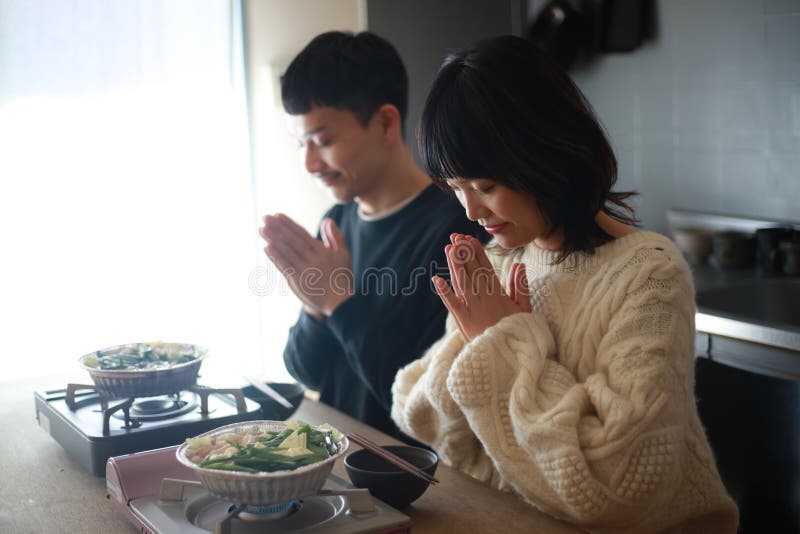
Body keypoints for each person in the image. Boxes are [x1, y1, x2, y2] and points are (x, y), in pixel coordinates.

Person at [390, 35, 738, 532]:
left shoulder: (648, 274)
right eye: (456, 188)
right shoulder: (500, 260)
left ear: (543, 153)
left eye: (485, 186)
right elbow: (421, 417)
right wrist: (482, 338)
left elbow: (617, 483)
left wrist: (505, 341)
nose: (470, 210)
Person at [259, 31, 485, 440]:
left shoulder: (456, 231)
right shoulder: (336, 222)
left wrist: (338, 301)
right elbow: (306, 371)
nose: (310, 163)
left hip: (407, 469)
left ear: (385, 123)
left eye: (323, 141)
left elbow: (425, 405)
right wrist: (315, 307)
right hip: (336, 454)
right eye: (301, 144)